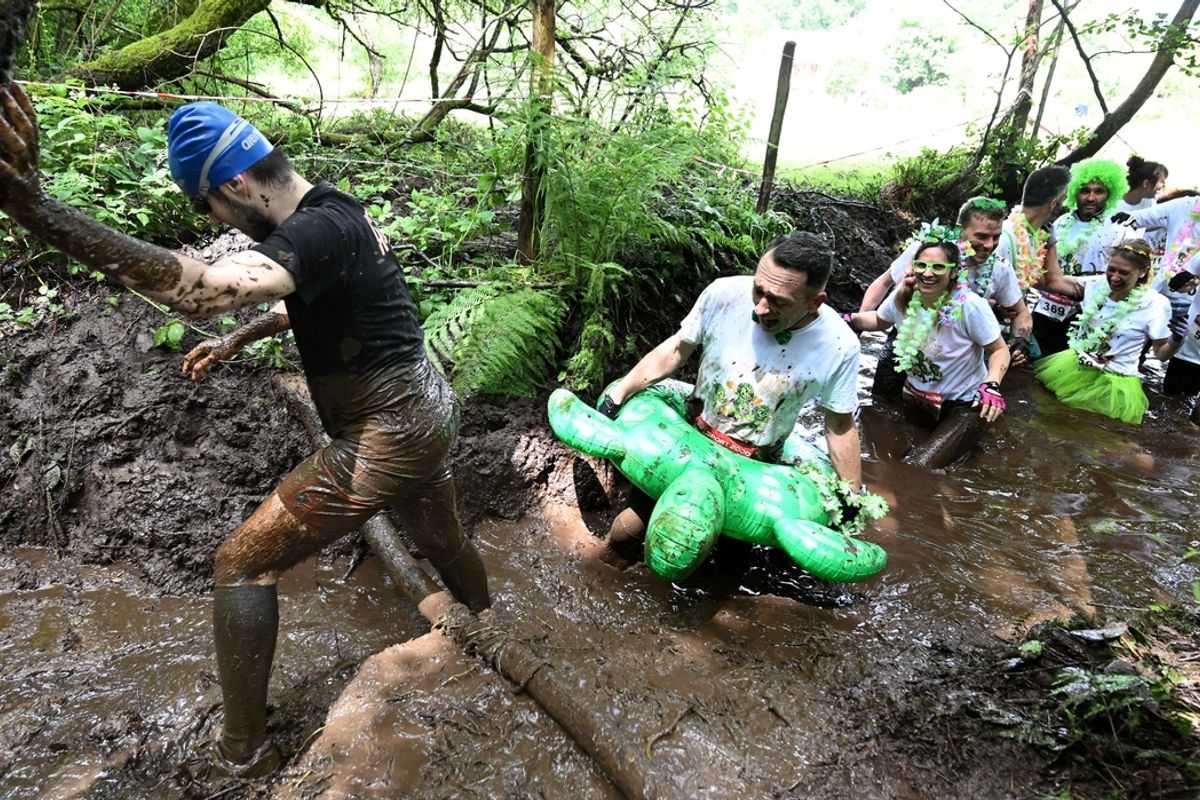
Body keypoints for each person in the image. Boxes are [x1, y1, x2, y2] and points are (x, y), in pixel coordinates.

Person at [0, 85, 490, 777]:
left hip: (390, 429)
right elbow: (309, 303)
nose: (214, 218)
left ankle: (242, 753)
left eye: (210, 205)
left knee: (240, 563)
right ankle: (488, 631)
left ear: (235, 183)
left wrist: (35, 207)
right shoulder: (335, 211)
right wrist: (237, 343)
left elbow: (203, 288)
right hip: (426, 408)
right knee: (443, 539)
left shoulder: (318, 229)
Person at [596, 231, 863, 564]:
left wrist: (852, 495)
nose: (761, 308)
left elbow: (838, 423)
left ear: (815, 302)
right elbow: (677, 350)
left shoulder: (839, 346)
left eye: (778, 301)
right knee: (628, 533)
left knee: (727, 568)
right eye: (758, 290)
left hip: (755, 471)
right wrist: (620, 394)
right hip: (687, 443)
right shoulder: (723, 294)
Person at [846, 238, 1010, 468]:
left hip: (964, 405)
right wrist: (848, 319)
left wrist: (991, 385)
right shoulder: (904, 296)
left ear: (954, 273)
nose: (928, 273)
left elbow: (999, 350)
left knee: (917, 467)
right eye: (922, 265)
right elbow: (879, 321)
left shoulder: (970, 306)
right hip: (917, 399)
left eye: (938, 267)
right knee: (881, 445)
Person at [859, 198, 1033, 396]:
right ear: (960, 229)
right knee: (879, 406)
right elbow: (883, 283)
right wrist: (857, 326)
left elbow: (1021, 312)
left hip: (959, 354)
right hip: (907, 339)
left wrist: (1021, 339)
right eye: (982, 236)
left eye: (996, 237)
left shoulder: (1000, 268)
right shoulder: (927, 252)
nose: (989, 245)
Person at [1034, 239, 1177, 425]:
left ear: (1142, 272)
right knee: (1051, 420)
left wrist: (1176, 341)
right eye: (1112, 269)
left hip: (1115, 384)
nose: (1115, 277)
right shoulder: (1096, 284)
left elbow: (1161, 355)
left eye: (1124, 273)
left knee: (1099, 438)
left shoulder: (1155, 304)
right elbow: (1052, 282)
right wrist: (1046, 244)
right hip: (1073, 369)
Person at [1032, 159, 1130, 357]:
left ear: (1109, 193)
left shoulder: (1120, 228)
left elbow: (1127, 277)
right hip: (1046, 306)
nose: (1091, 197)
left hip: (1085, 312)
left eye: (1098, 191)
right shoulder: (1060, 222)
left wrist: (1079, 284)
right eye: (1085, 190)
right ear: (1074, 192)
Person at [1005, 165, 1087, 357]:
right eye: (1064, 199)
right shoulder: (1004, 237)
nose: (1065, 204)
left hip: (1018, 320)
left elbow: (1050, 280)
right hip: (997, 324)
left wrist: (1101, 289)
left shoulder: (1040, 234)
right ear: (1053, 203)